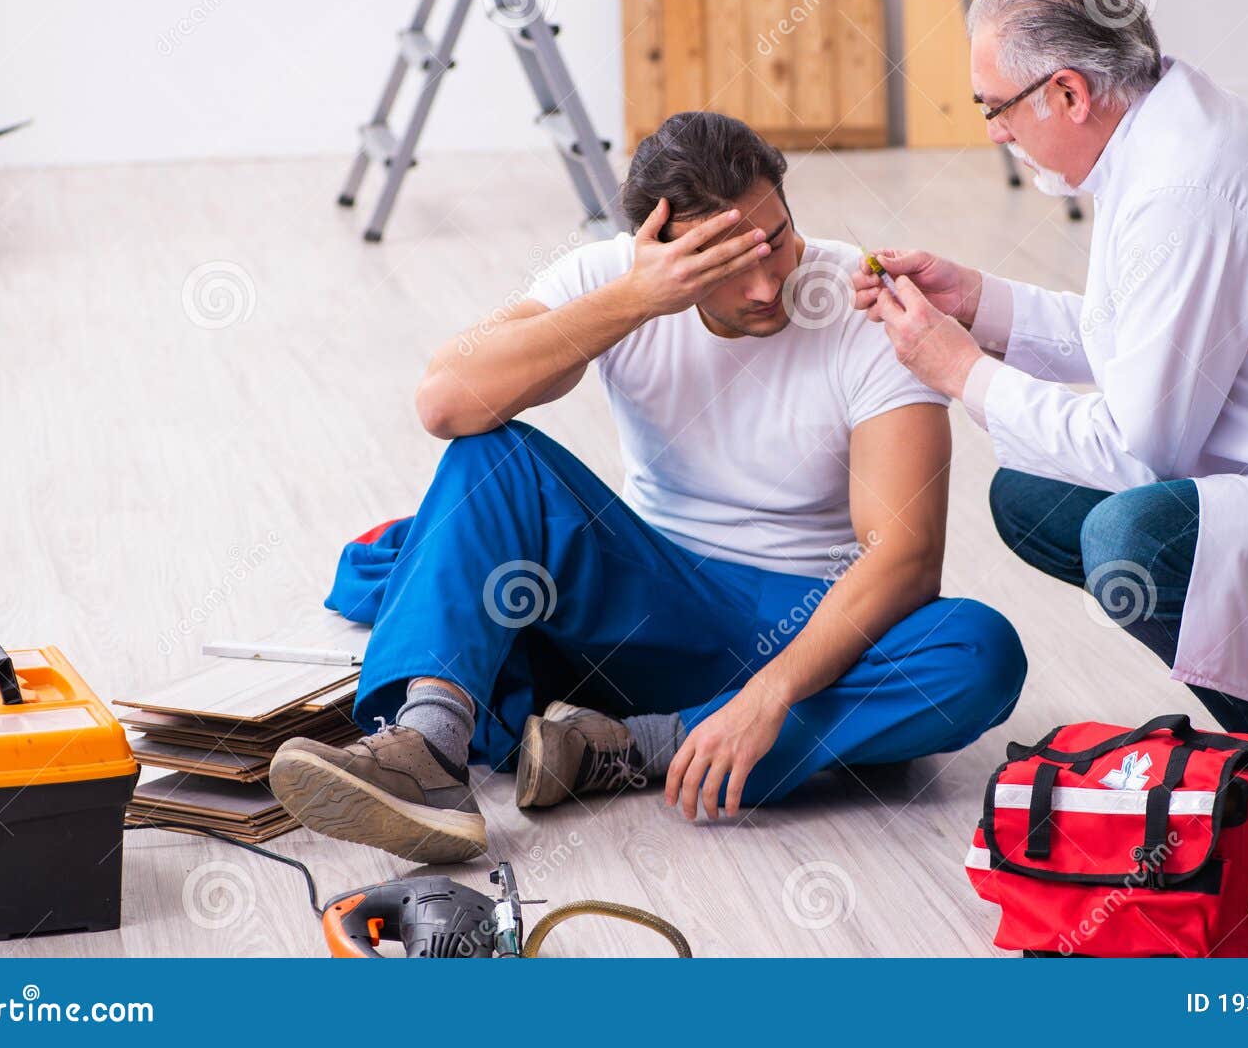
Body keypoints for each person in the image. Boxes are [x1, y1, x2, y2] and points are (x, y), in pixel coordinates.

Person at [268, 112, 1027, 863]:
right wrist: (635, 301)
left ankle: (641, 744)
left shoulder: (864, 304)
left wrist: (767, 698)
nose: (766, 284)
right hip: (646, 599)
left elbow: (905, 555)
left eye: (774, 241)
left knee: (976, 652)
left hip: (806, 618)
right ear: (659, 251)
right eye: (723, 263)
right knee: (488, 463)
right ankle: (427, 754)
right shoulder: (614, 282)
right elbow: (445, 400)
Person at [853, 0, 1248, 815]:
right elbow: (1134, 340)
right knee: (1030, 494)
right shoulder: (1159, 132)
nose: (994, 130)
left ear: (1068, 93)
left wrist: (959, 369)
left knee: (1129, 540)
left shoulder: (1190, 185)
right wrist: (980, 303)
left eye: (994, 107)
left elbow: (1139, 451)